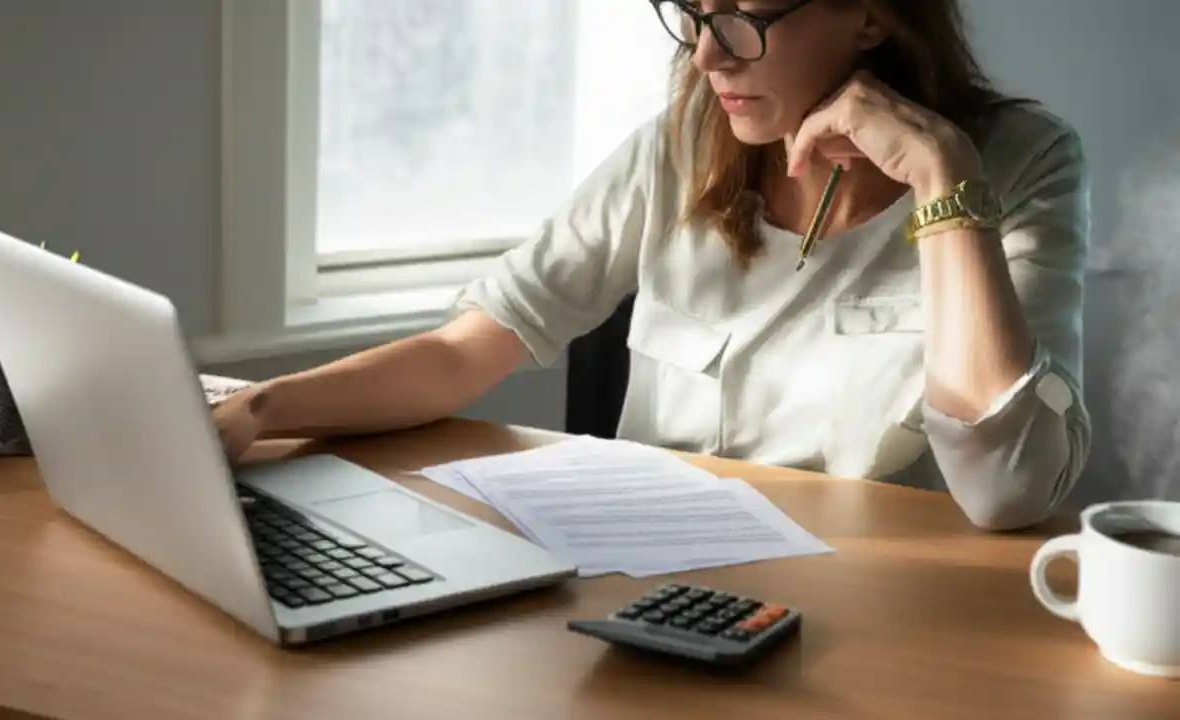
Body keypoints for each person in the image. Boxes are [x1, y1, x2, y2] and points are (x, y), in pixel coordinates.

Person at [213, 0, 1089, 531]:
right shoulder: (682, 145)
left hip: (877, 616)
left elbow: (1007, 492)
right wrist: (259, 407)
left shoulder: (1019, 164)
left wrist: (945, 183)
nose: (707, 56)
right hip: (656, 593)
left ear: (868, 14)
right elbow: (464, 352)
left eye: (744, 19)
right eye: (696, 17)